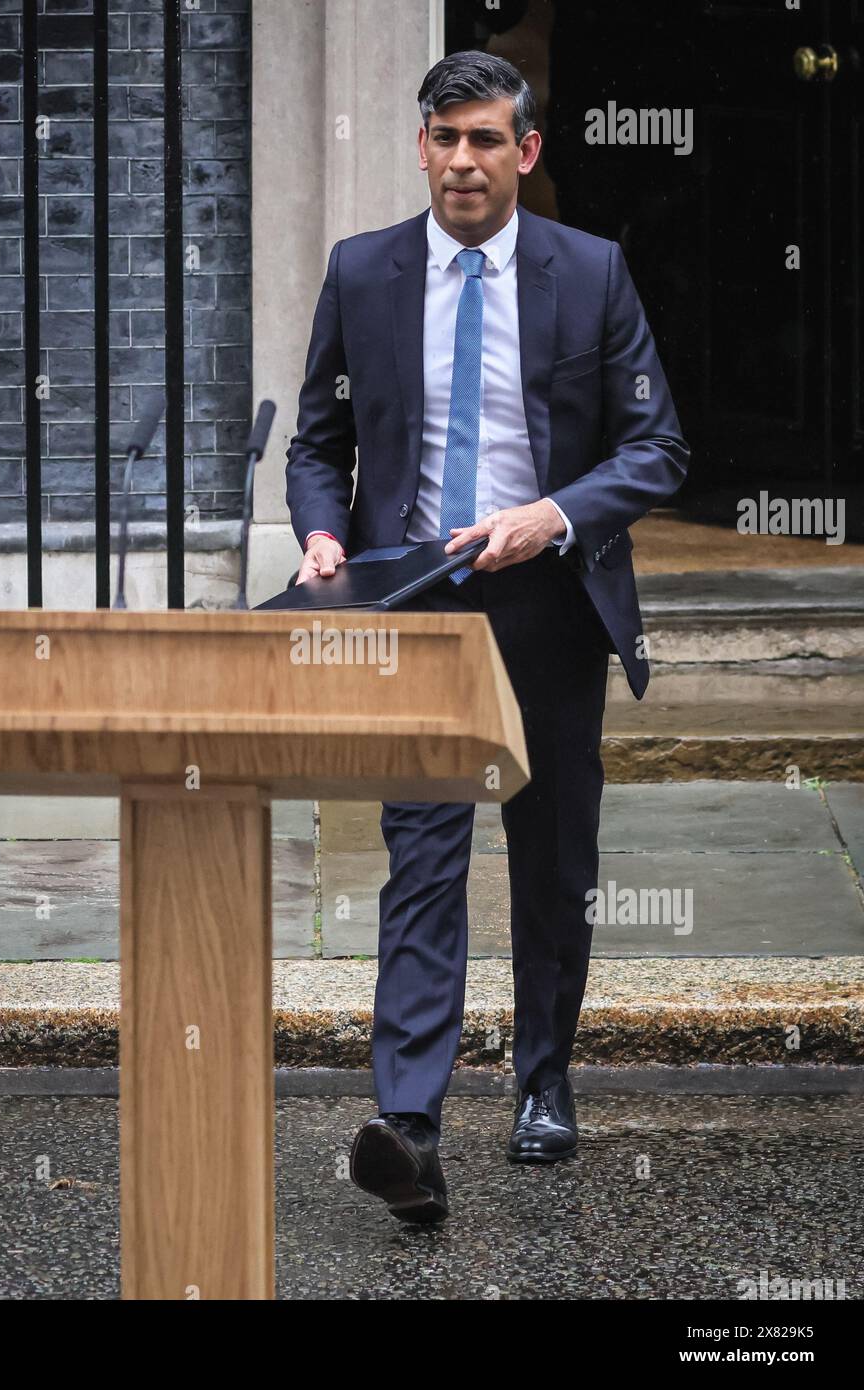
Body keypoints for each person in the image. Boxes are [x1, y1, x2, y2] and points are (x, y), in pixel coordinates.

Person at [285, 50, 689, 1223]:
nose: (461, 159)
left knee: (553, 860)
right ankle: (408, 1122)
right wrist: (321, 535)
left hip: (548, 605)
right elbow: (320, 441)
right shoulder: (363, 273)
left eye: (484, 139)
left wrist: (550, 515)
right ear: (418, 147)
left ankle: (542, 1083)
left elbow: (655, 449)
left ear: (524, 152)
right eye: (442, 137)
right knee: (421, 859)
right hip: (414, 609)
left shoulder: (590, 273)